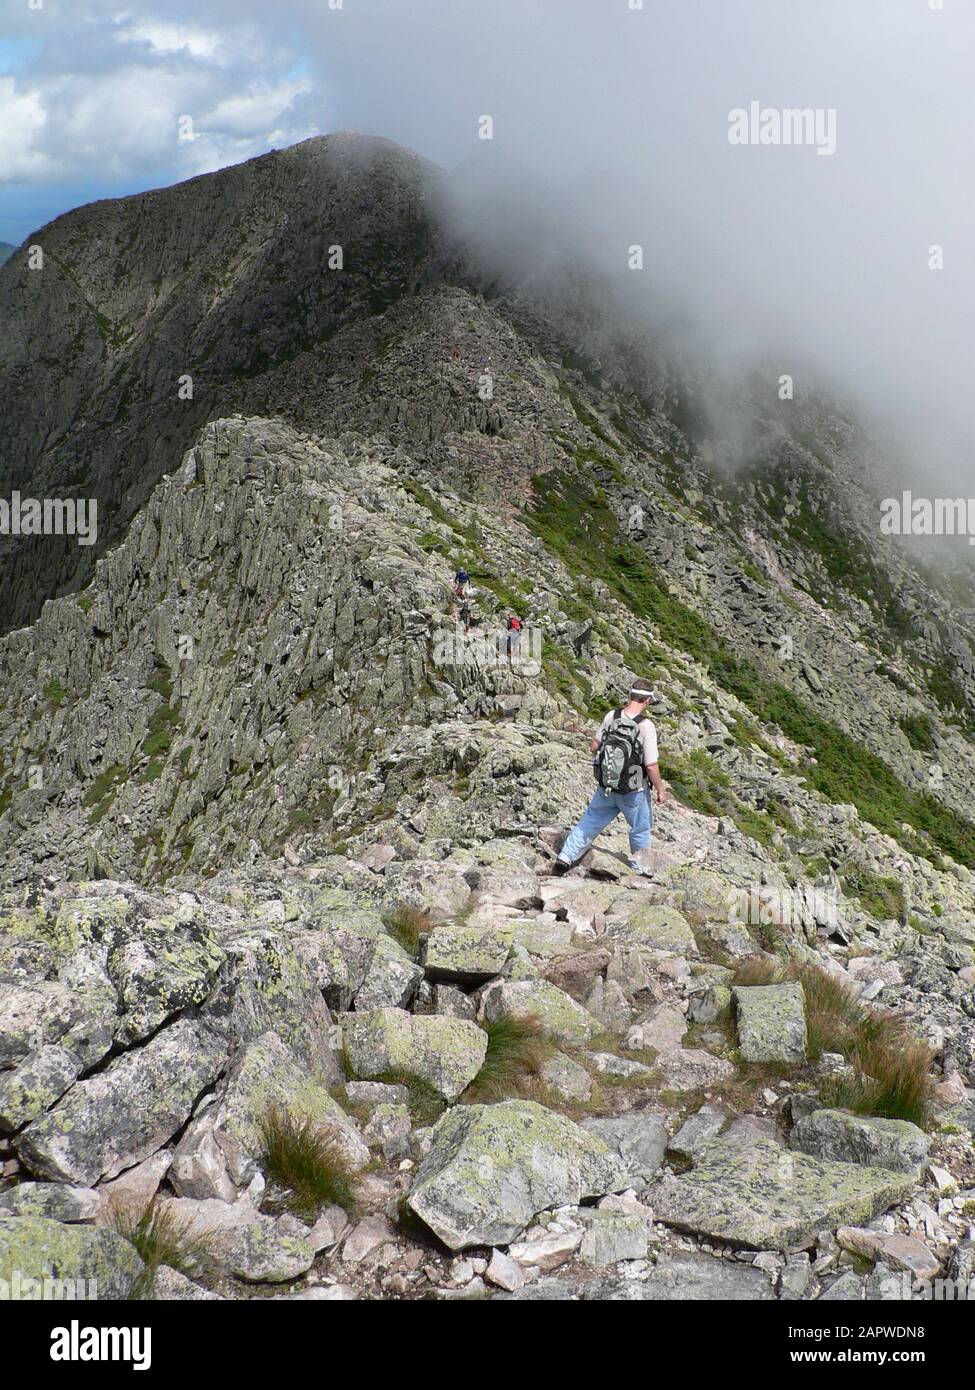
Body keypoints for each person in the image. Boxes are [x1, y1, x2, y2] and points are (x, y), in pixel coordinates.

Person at [554, 678, 666, 876]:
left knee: (590, 821)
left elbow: (593, 747)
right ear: (648, 701)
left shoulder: (611, 716)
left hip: (606, 784)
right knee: (640, 829)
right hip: (634, 789)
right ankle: (641, 871)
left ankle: (565, 857)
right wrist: (660, 789)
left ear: (630, 696)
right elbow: (650, 765)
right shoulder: (646, 726)